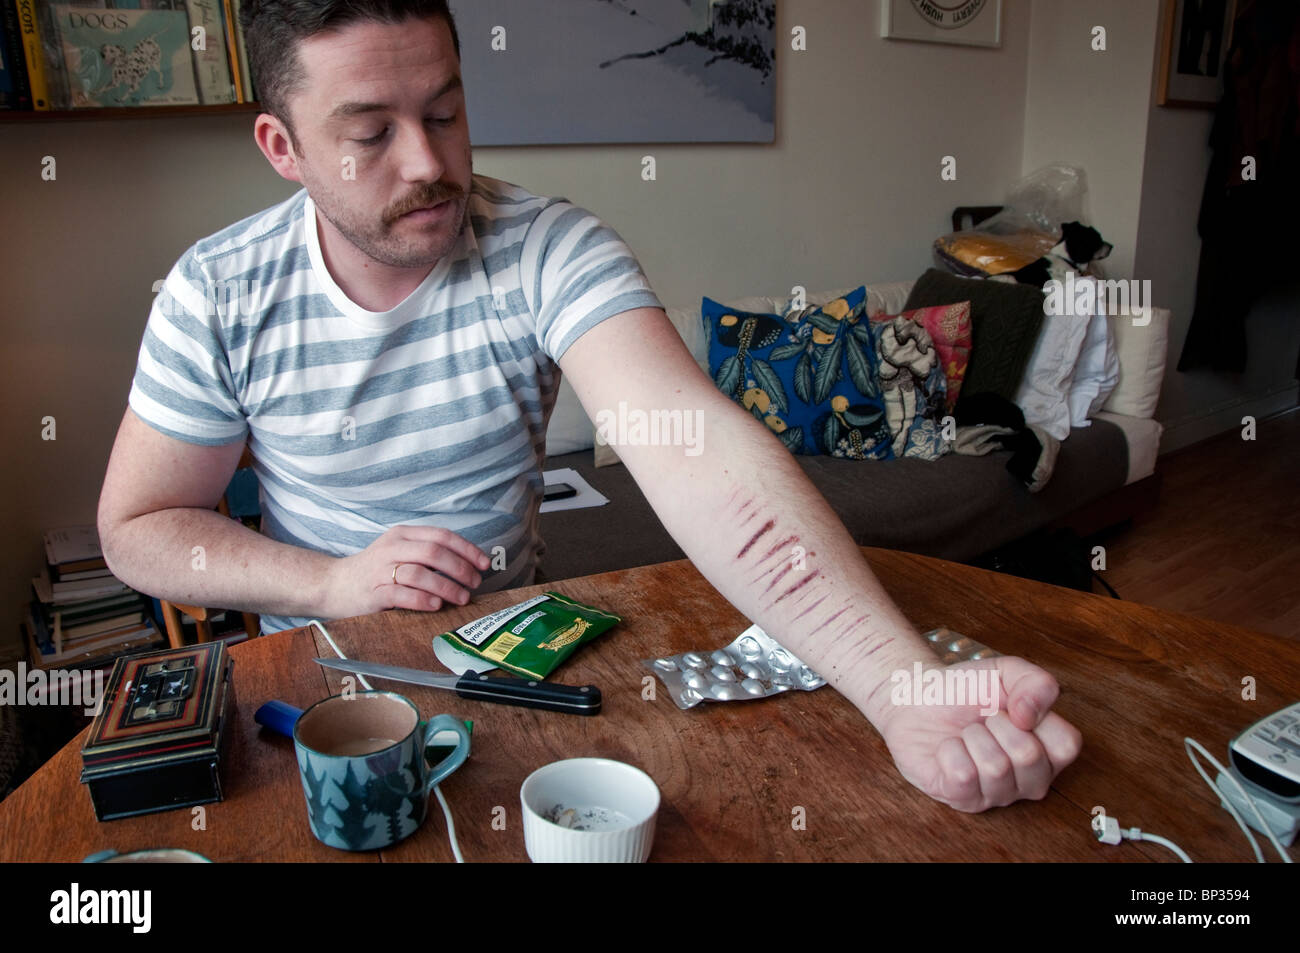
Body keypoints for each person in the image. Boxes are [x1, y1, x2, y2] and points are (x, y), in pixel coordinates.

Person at [98, 0, 1080, 813]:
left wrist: (899, 683)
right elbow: (139, 527)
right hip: (307, 682)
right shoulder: (217, 290)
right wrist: (331, 581)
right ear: (283, 145)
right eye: (370, 134)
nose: (429, 164)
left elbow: (700, 456)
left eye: (445, 112)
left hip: (503, 667)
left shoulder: (545, 248)